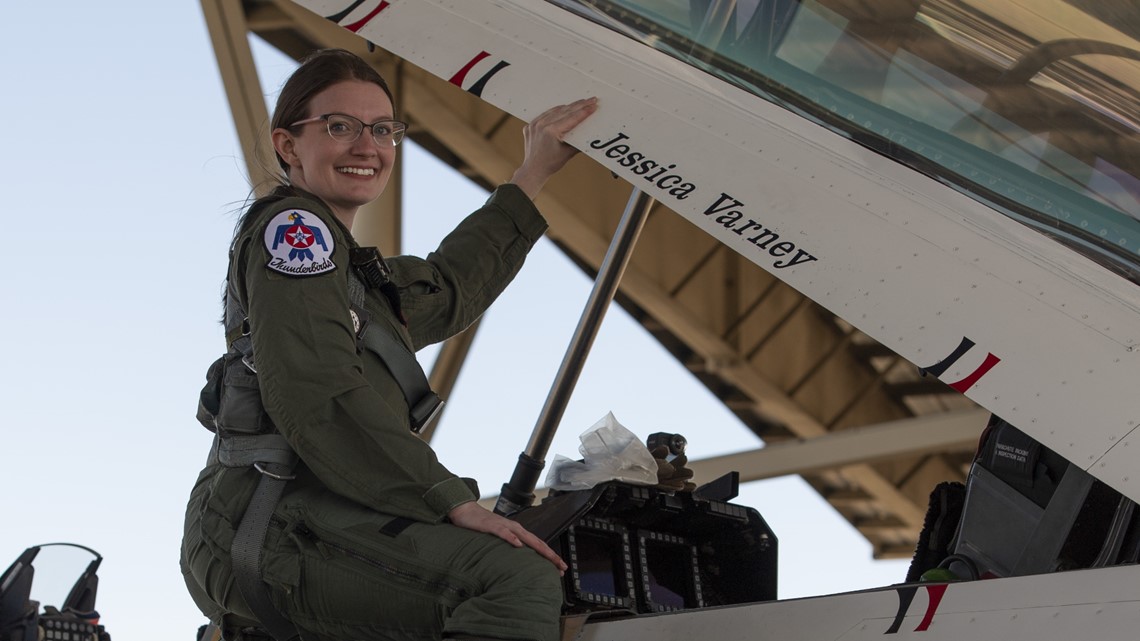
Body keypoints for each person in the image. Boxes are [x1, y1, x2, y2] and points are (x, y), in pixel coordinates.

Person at [181, 48, 598, 641]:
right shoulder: (296, 231)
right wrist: (448, 498)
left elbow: (447, 287)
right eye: (340, 127)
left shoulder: (352, 278)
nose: (366, 146)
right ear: (288, 145)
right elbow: (318, 392)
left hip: (308, 515)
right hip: (267, 520)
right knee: (510, 578)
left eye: (382, 130)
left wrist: (533, 172)